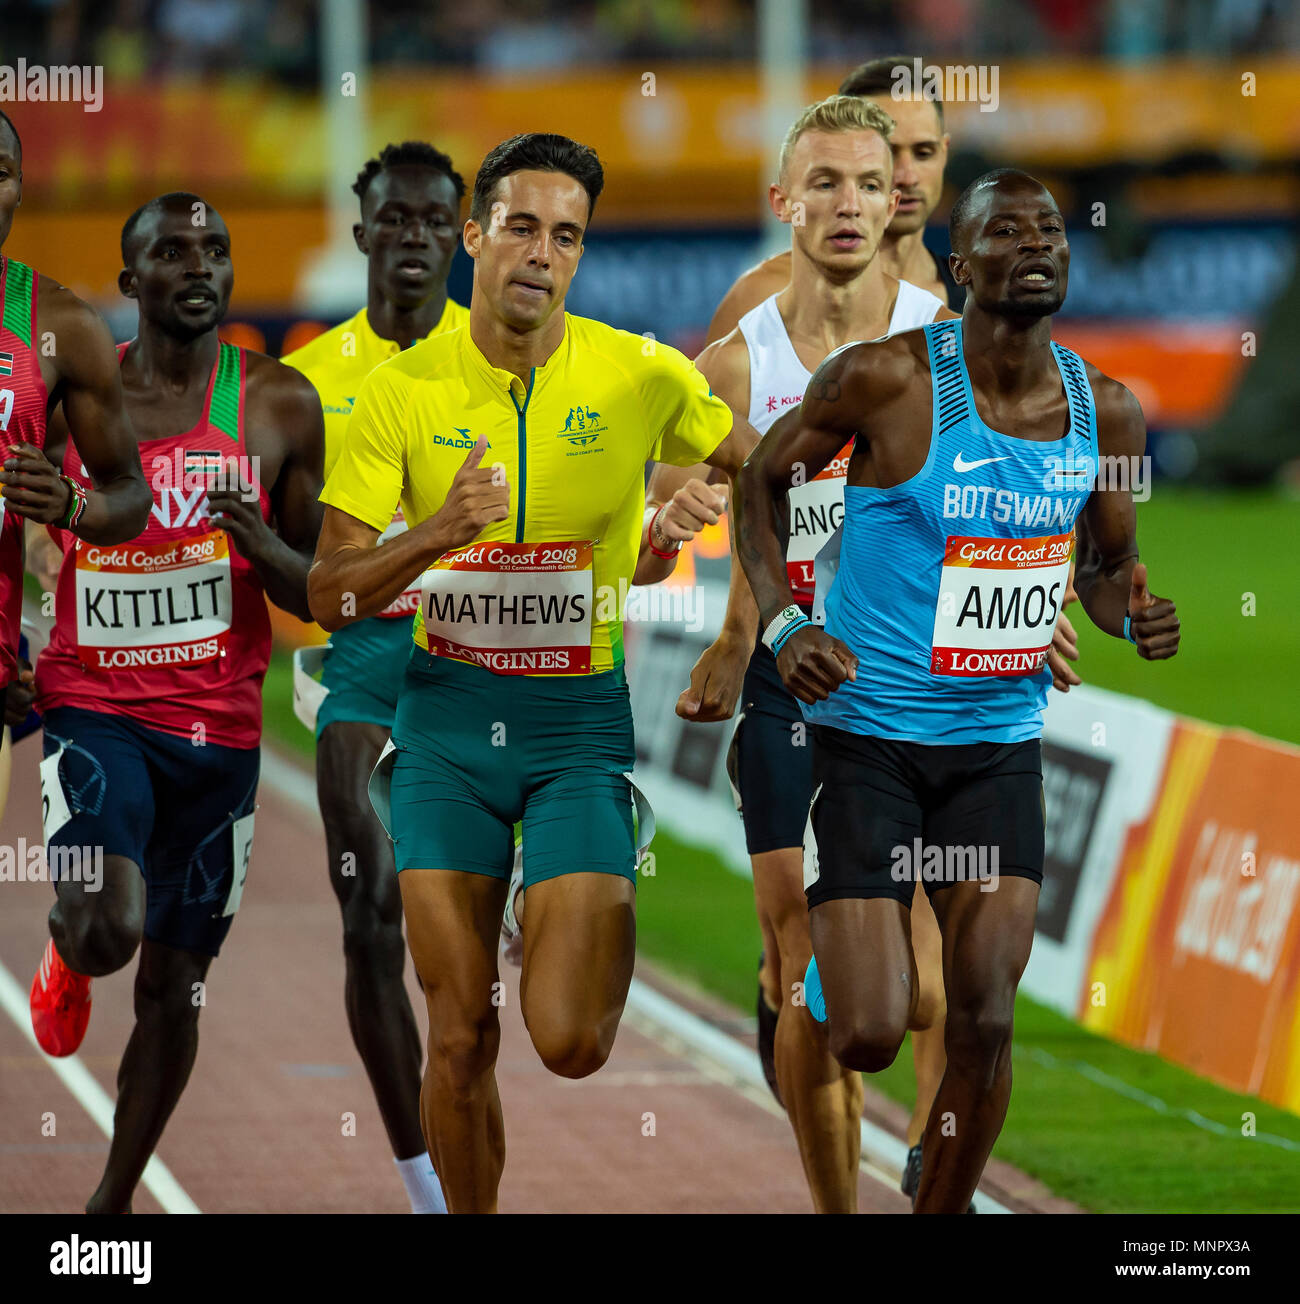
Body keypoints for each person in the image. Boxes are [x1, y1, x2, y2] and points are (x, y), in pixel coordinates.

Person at [307, 132, 756, 1213]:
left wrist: (722, 578)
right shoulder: (400, 395)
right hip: (445, 732)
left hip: (574, 731)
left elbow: (769, 465)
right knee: (458, 1030)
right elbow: (332, 593)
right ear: (475, 236)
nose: (541, 255)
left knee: (568, 1040)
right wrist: (440, 529)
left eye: (566, 236)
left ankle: (580, 872)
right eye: (520, 228)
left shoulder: (642, 373)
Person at [734, 168, 1180, 1213]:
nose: (1037, 245)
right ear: (960, 263)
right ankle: (822, 982)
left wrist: (1130, 613)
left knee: (981, 1017)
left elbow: (1106, 568)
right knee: (872, 1029)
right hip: (870, 744)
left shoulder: (1107, 412)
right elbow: (762, 476)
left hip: (997, 749)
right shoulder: (882, 381)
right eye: (1007, 232)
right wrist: (786, 618)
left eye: (1052, 232)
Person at [646, 94, 951, 1212]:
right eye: (823, 182)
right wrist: (675, 519)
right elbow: (680, 492)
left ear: (894, 202)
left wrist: (1038, 595)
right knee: (793, 959)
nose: (848, 203)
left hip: (913, 682)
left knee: (916, 994)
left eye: (869, 183)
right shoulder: (736, 356)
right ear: (784, 201)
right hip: (790, 676)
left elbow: (991, 488)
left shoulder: (935, 333)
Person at [28, 192, 324, 1215]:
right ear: (130, 283)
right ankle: (70, 956)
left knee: (175, 987)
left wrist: (268, 548)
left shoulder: (280, 404)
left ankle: (108, 1203)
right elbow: (32, 536)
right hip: (94, 709)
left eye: (216, 248)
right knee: (109, 925)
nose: (199, 265)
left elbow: (310, 589)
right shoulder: (78, 397)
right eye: (171, 251)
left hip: (221, 735)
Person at [282, 140, 470, 1215]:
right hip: (360, 661)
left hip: (487, 661)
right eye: (392, 221)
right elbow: (289, 554)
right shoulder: (307, 384)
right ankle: (423, 1179)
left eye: (433, 223)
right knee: (371, 908)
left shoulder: (502, 364)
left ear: (461, 238)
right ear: (362, 235)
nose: (411, 240)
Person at [0, 109, 150, 718]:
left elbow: (130, 496)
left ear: (19, 187)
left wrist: (68, 505)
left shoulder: (61, 327)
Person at [707, 55, 956, 345]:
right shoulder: (757, 299)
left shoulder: (972, 304)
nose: (905, 174)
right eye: (886, 151)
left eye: (923, 152)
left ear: (944, 152)